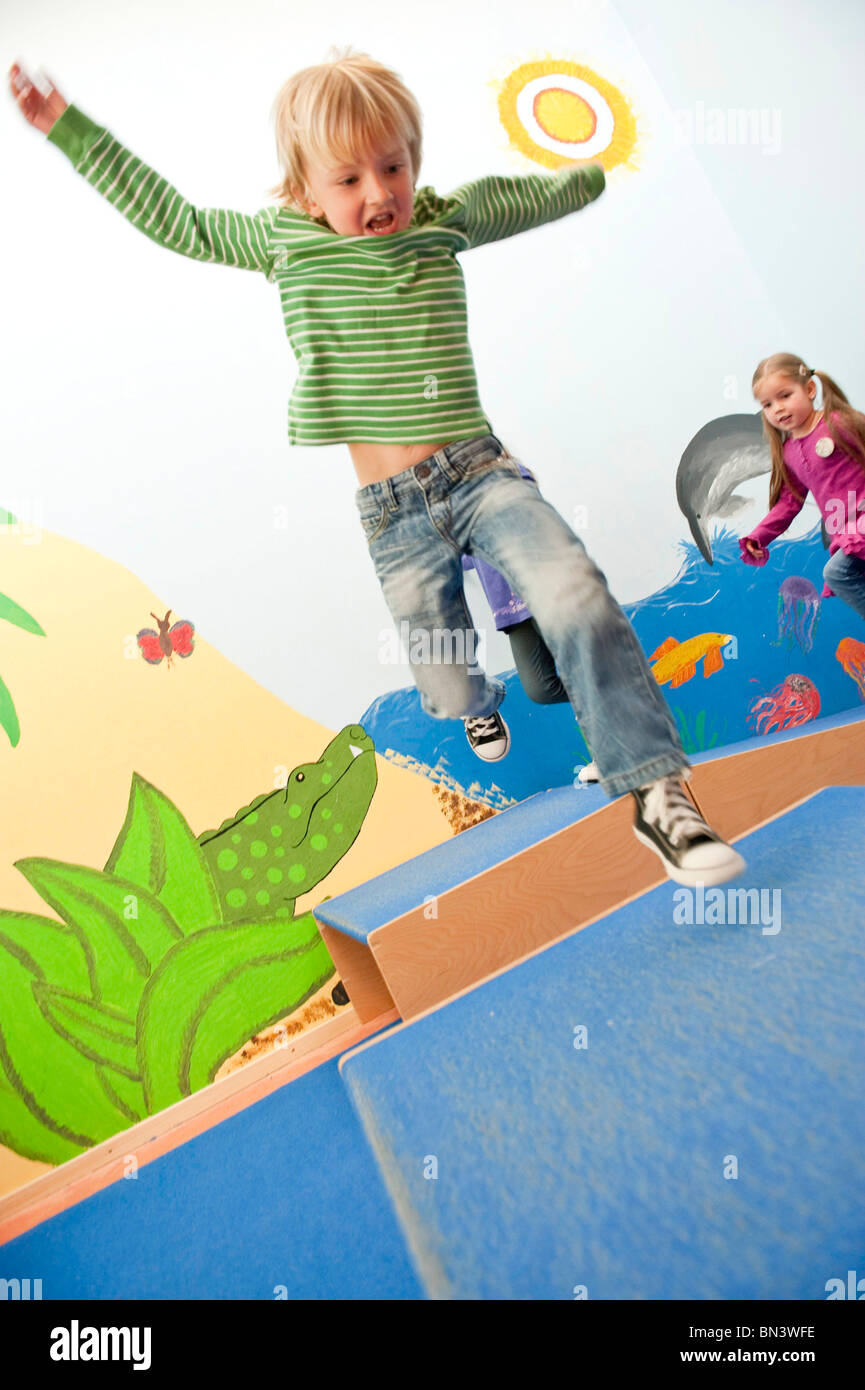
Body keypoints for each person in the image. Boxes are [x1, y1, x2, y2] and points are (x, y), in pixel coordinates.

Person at [8, 52, 743, 887]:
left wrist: (595, 172)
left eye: (393, 166)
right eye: (349, 178)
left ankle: (656, 795)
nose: (379, 193)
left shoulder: (441, 221)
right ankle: (475, 704)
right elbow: (175, 219)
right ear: (302, 192)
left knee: (575, 591)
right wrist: (67, 128)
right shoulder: (280, 243)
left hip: (481, 472)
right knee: (446, 685)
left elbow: (535, 195)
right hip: (393, 514)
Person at [741, 353, 865, 619]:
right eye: (767, 404)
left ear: (810, 390)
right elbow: (789, 502)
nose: (777, 408)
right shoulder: (789, 453)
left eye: (785, 396)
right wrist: (760, 536)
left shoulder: (837, 424)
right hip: (845, 534)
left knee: (837, 573)